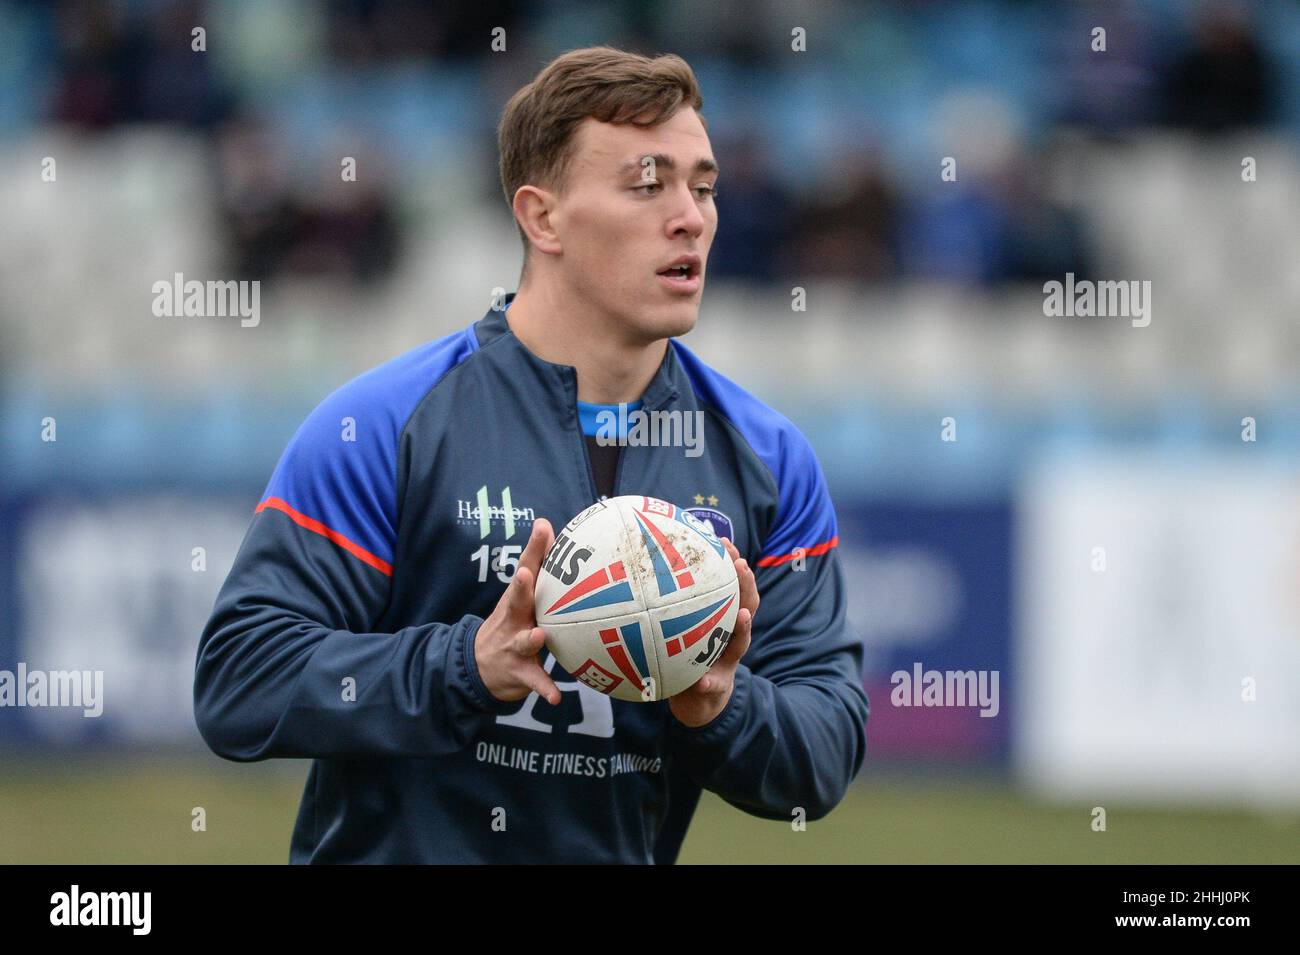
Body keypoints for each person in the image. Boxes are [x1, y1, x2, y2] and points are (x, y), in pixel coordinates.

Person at [194, 45, 869, 864]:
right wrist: (463, 667)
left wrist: (719, 703)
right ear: (541, 216)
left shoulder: (767, 459)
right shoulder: (384, 423)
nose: (691, 215)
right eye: (648, 184)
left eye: (704, 185)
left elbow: (825, 750)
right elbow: (239, 678)